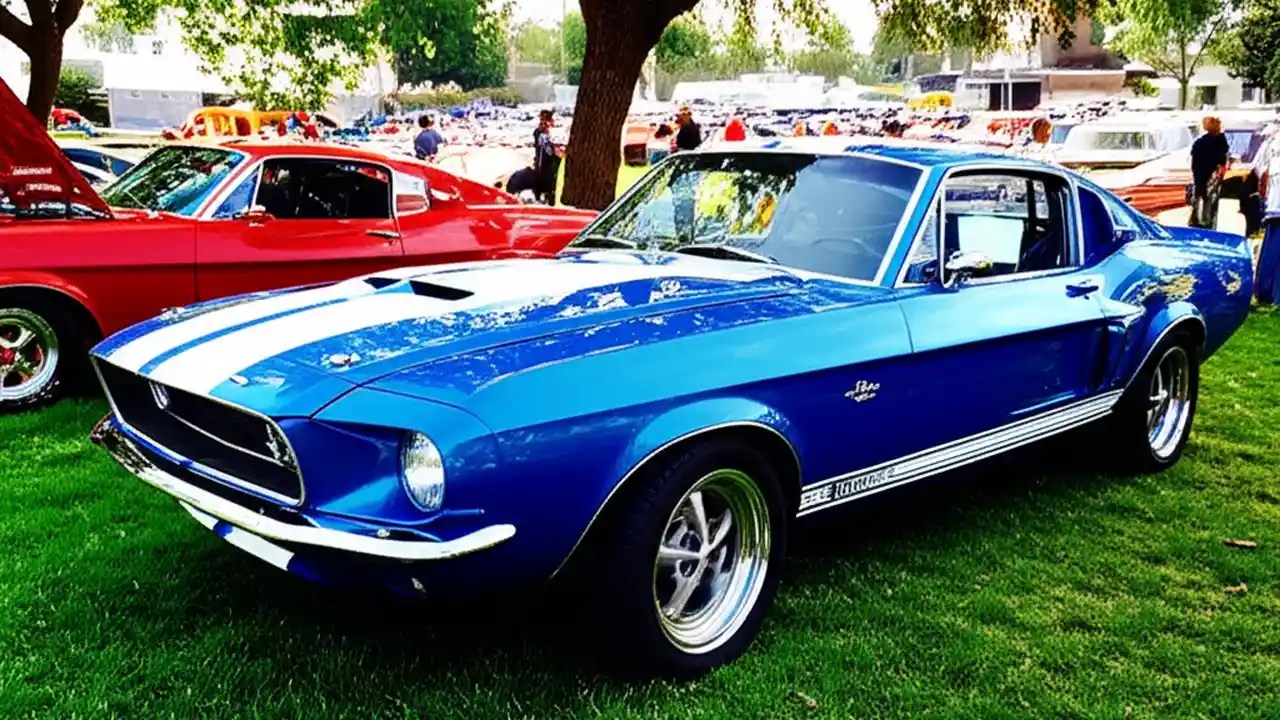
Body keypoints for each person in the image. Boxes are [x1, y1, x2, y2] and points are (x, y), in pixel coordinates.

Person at [533, 109, 563, 205]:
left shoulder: (552, 133)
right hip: (542, 163)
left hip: (549, 164)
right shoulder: (539, 132)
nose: (543, 122)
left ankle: (549, 199)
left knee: (550, 184)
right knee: (541, 182)